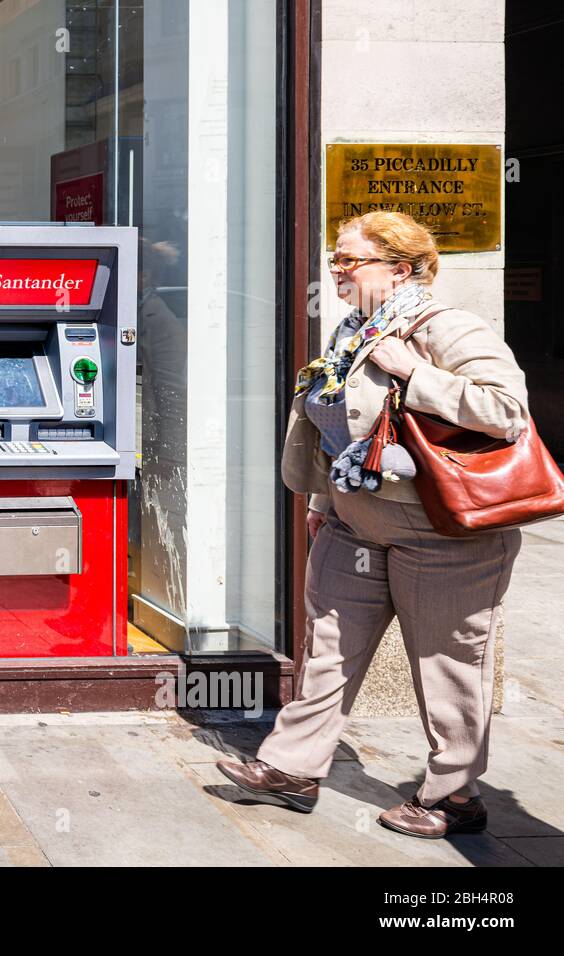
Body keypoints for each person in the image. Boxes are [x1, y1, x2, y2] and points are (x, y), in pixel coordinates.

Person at [217, 211, 529, 838]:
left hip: (442, 532)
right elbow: (341, 429)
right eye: (334, 259)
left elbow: (506, 411)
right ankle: (292, 770)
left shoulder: (446, 328)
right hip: (355, 523)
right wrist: (321, 503)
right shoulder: (354, 332)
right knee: (327, 650)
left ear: (401, 268)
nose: (335, 270)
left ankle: (454, 795)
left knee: (448, 664)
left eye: (348, 260)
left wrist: (417, 374)